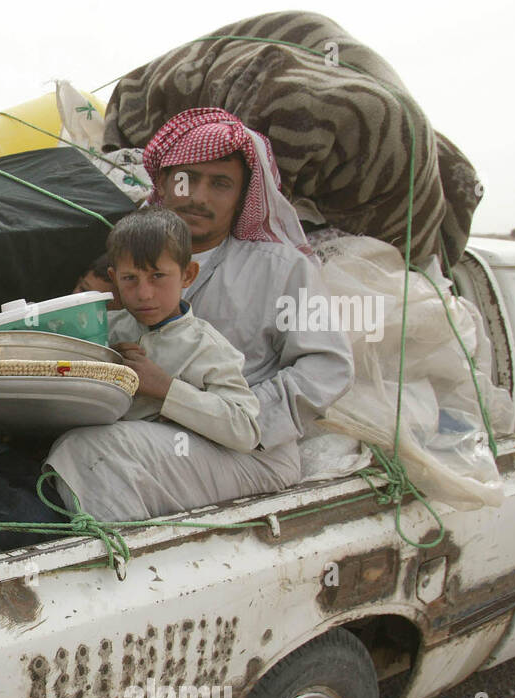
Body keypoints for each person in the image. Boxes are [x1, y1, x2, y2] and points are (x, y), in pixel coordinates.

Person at [45, 107, 355, 520]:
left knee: (90, 454)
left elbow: (327, 367)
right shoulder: (129, 260)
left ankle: (128, 574)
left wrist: (225, 414)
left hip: (247, 451)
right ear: (164, 183)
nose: (199, 196)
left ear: (243, 196)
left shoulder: (282, 270)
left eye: (221, 184)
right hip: (149, 434)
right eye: (186, 179)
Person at [49, 208, 262, 514]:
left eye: (157, 276)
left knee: (84, 448)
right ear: (114, 279)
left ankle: (125, 547)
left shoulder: (205, 346)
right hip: (111, 469)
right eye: (130, 279)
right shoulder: (107, 329)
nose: (144, 293)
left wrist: (165, 389)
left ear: (187, 274)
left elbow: (245, 431)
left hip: (175, 470)